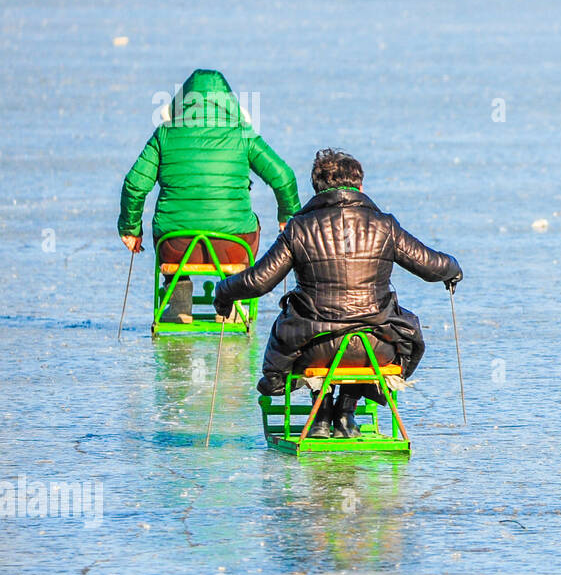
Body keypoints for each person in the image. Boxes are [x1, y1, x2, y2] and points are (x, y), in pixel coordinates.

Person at [213, 149, 462, 438]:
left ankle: (320, 415)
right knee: (395, 327)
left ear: (317, 188)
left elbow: (259, 281)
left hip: (313, 345)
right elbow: (432, 266)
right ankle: (346, 411)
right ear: (359, 187)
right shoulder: (384, 226)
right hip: (376, 345)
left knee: (291, 327)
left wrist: (223, 292)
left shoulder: (300, 228)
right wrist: (453, 269)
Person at [117, 69, 301, 323]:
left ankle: (179, 299)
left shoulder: (165, 134)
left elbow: (134, 184)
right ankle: (233, 299)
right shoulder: (242, 135)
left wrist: (130, 228)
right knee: (252, 222)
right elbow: (283, 176)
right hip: (233, 246)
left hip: (175, 246)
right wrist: (288, 217)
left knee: (167, 221)